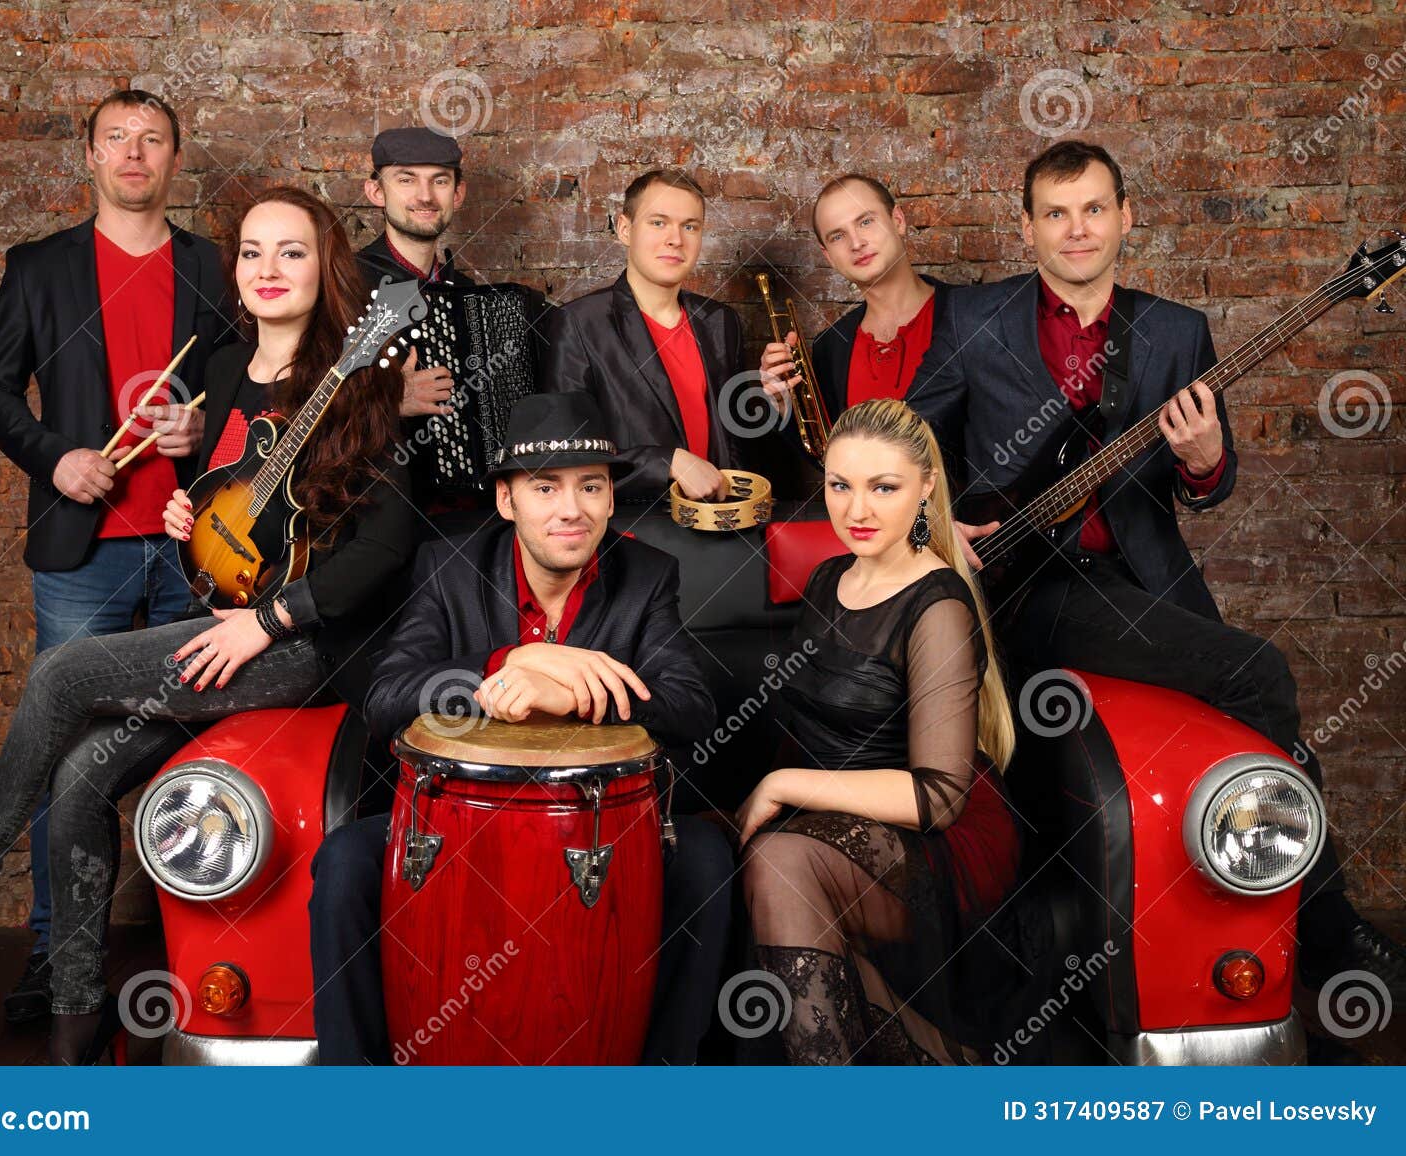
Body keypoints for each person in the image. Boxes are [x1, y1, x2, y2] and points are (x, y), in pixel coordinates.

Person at [0, 186, 415, 1064]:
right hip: (213, 612)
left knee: (61, 675)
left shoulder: (362, 380)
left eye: (291, 251)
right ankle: (79, 1013)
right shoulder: (224, 368)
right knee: (75, 782)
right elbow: (241, 497)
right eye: (252, 251)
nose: (268, 269)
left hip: (298, 648)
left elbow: (388, 544)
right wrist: (192, 518)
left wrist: (269, 621)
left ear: (325, 266)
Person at [907, 138, 1405, 1000]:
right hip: (1032, 588)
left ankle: (1302, 924)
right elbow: (905, 438)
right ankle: (1328, 934)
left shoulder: (1175, 332)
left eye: (1094, 209)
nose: (1076, 230)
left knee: (1259, 717)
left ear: (1126, 218)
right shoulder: (974, 320)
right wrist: (932, 519)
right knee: (1260, 673)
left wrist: (1206, 456)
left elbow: (1210, 483)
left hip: (1150, 581)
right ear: (1026, 228)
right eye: (1056, 214)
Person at [308, 393, 735, 1064]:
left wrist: (566, 692)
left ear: (610, 498)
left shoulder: (647, 576)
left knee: (706, 860)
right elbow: (387, 699)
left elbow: (690, 707)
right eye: (546, 488)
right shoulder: (447, 567)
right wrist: (511, 661)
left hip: (590, 829)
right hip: (452, 826)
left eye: (591, 486)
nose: (572, 509)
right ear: (507, 500)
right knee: (343, 864)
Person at [0, 88, 233, 1022]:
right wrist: (56, 457)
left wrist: (202, 427)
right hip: (83, 554)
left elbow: (247, 388)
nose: (134, 154)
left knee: (199, 746)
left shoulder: (211, 264)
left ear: (174, 156)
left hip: (196, 549)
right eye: (116, 139)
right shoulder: (39, 267)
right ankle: (52, 959)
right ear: (89, 155)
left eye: (151, 139)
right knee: (64, 757)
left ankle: (203, 949)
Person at [737, 399, 1021, 1064]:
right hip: (836, 821)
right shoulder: (829, 577)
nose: (856, 511)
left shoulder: (938, 603)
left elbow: (939, 797)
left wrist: (780, 784)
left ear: (926, 488)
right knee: (755, 861)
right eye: (840, 486)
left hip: (932, 839)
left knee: (779, 863)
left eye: (883, 488)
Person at [542, 169, 753, 502]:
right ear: (625, 229)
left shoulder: (721, 322)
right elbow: (567, 455)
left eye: (690, 226)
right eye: (658, 222)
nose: (675, 239)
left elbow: (736, 445)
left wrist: (771, 405)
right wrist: (667, 462)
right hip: (631, 532)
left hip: (719, 528)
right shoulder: (579, 323)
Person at [758, 174, 951, 434]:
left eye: (866, 222)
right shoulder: (830, 347)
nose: (856, 243)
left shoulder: (971, 314)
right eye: (837, 236)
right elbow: (830, 459)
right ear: (828, 256)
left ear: (898, 221)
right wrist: (784, 406)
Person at [357, 126, 471, 422]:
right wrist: (387, 404)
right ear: (376, 192)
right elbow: (292, 398)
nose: (425, 196)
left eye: (440, 181)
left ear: (458, 194)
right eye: (406, 180)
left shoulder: (466, 292)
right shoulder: (342, 281)